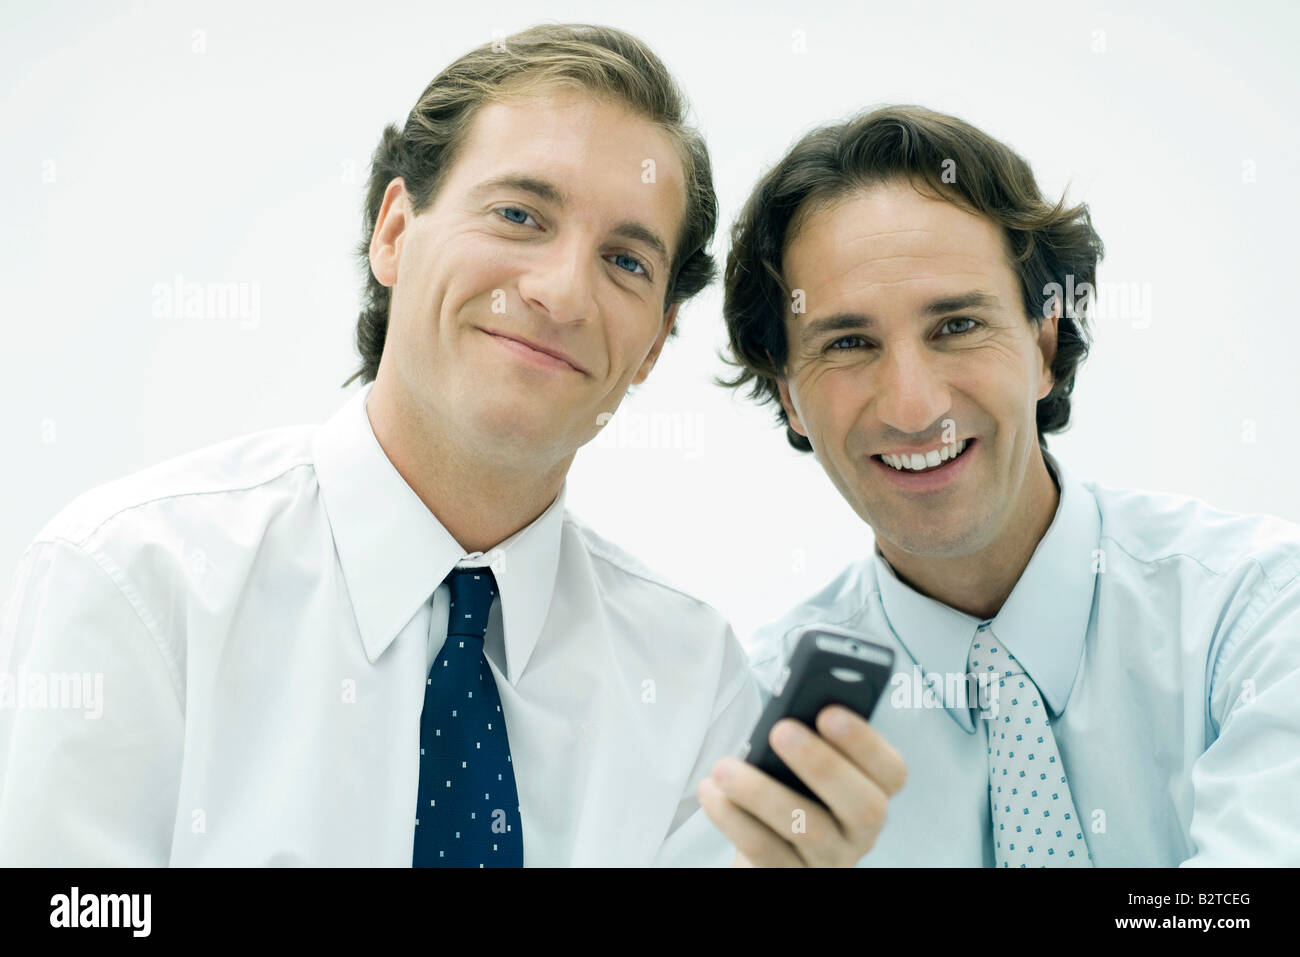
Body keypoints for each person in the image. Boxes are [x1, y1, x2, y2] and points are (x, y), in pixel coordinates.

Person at [0, 23, 893, 868]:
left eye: (626, 261)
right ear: (395, 232)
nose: (561, 293)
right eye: (519, 215)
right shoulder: (138, 580)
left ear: (655, 343)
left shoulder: (694, 679)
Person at [716, 104, 1300, 866]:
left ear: (1045, 344)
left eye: (957, 325)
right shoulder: (753, 731)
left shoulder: (1258, 613)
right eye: (849, 342)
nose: (913, 407)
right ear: (789, 395)